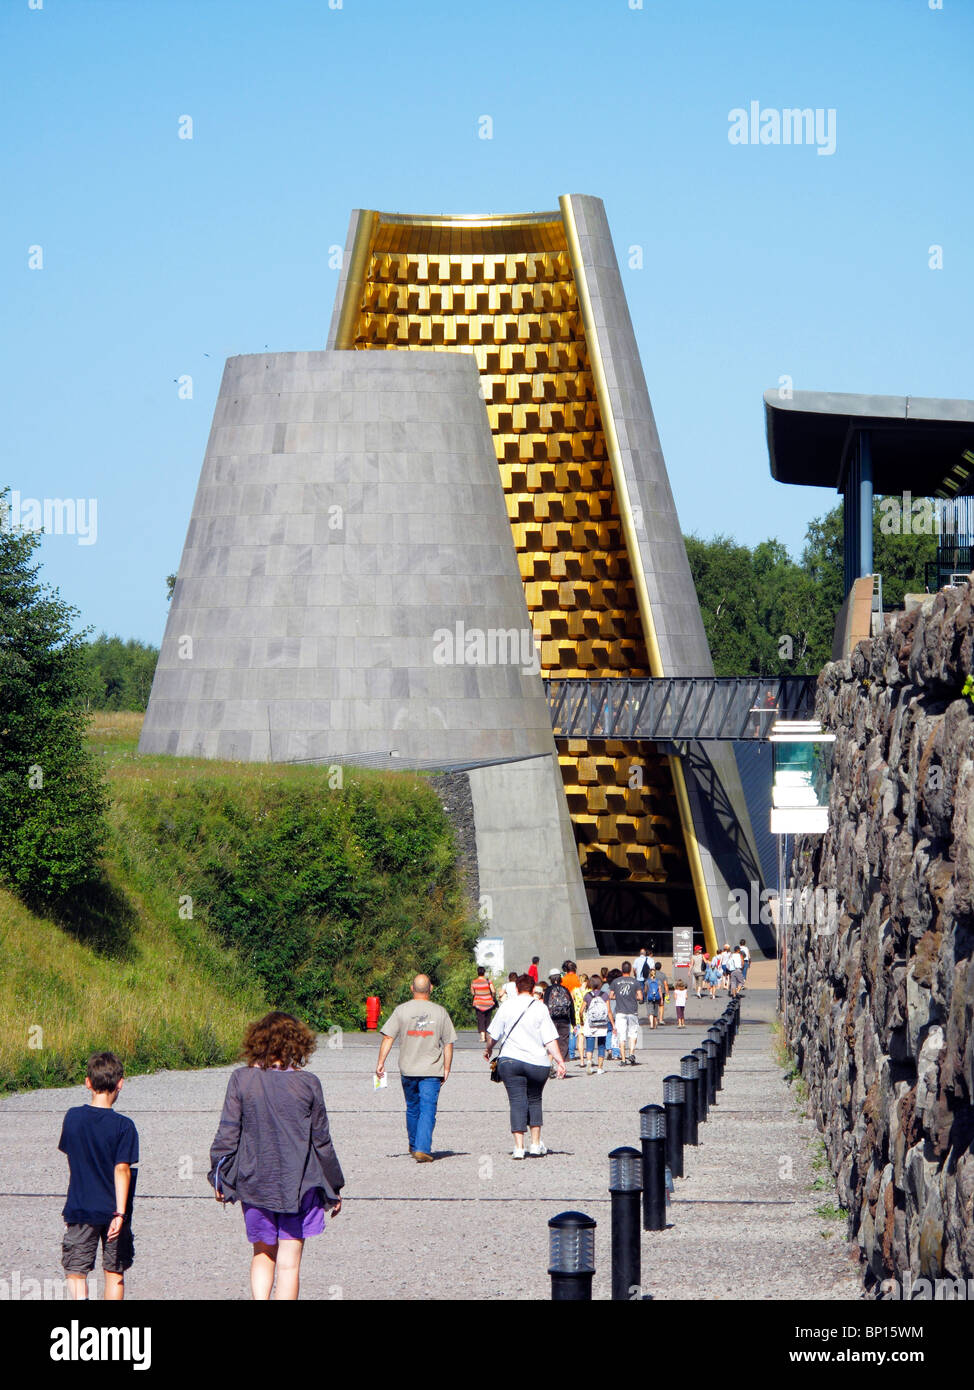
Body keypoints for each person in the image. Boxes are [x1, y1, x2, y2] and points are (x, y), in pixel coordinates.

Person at [209, 1012, 344, 1300]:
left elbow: (227, 1133)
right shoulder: (309, 1083)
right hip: (301, 1185)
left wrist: (219, 1177)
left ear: (257, 1042)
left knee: (262, 1253)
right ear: (298, 1045)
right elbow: (322, 1142)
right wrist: (334, 1186)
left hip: (255, 1181)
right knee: (289, 1264)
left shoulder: (241, 1080)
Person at [59, 1052, 139, 1301]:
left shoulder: (72, 1118)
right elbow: (121, 1170)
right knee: (114, 1271)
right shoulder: (124, 1126)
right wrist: (120, 1212)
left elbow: (72, 1157)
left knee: (76, 1269)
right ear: (120, 1083)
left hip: (81, 1206)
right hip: (114, 1210)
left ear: (88, 1083)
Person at [375, 975, 456, 1162]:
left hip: (408, 1069)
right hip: (431, 1070)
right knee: (428, 1109)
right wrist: (447, 1068)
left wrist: (380, 1062)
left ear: (412, 988)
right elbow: (448, 1043)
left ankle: (413, 1145)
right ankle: (423, 1148)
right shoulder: (440, 1012)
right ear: (431, 988)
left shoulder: (401, 1010)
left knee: (412, 1108)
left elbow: (388, 1037)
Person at [486, 974, 565, 1157]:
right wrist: (560, 1060)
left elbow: (493, 1034)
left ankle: (519, 1148)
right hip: (537, 1062)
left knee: (516, 1101)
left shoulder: (506, 1006)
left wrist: (488, 1049)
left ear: (516, 989)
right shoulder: (540, 1008)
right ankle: (536, 1144)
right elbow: (550, 1039)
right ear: (532, 989)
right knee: (534, 1099)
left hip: (510, 1061)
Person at [608, 960, 642, 1066]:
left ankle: (623, 1059)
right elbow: (640, 997)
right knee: (633, 1033)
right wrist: (633, 997)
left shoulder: (616, 982)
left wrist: (618, 997)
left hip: (620, 1011)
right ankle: (631, 1053)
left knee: (621, 1035)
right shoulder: (635, 981)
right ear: (631, 970)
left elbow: (610, 996)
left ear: (622, 969)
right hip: (632, 1011)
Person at [543, 970, 575, 1076]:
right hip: (564, 1020)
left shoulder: (548, 990)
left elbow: (545, 1005)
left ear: (551, 979)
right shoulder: (565, 990)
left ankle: (549, 1065)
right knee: (563, 1044)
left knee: (551, 1042)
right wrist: (573, 1022)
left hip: (551, 1020)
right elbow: (571, 1006)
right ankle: (561, 1069)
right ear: (560, 978)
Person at [581, 977, 610, 1074]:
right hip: (602, 1023)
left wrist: (581, 1020)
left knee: (589, 1045)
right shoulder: (605, 995)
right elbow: (609, 1011)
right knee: (601, 1045)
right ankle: (600, 1068)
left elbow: (581, 1011)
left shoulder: (588, 995)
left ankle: (589, 1062)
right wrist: (613, 1024)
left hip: (591, 1023)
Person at [470, 965, 497, 1043]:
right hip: (489, 1003)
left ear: (477, 973)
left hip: (478, 1003)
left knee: (480, 1020)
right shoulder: (488, 981)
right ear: (484, 973)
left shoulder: (474, 982)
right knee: (487, 1020)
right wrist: (492, 997)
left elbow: (472, 993)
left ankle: (482, 1037)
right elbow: (493, 991)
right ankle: (487, 1036)